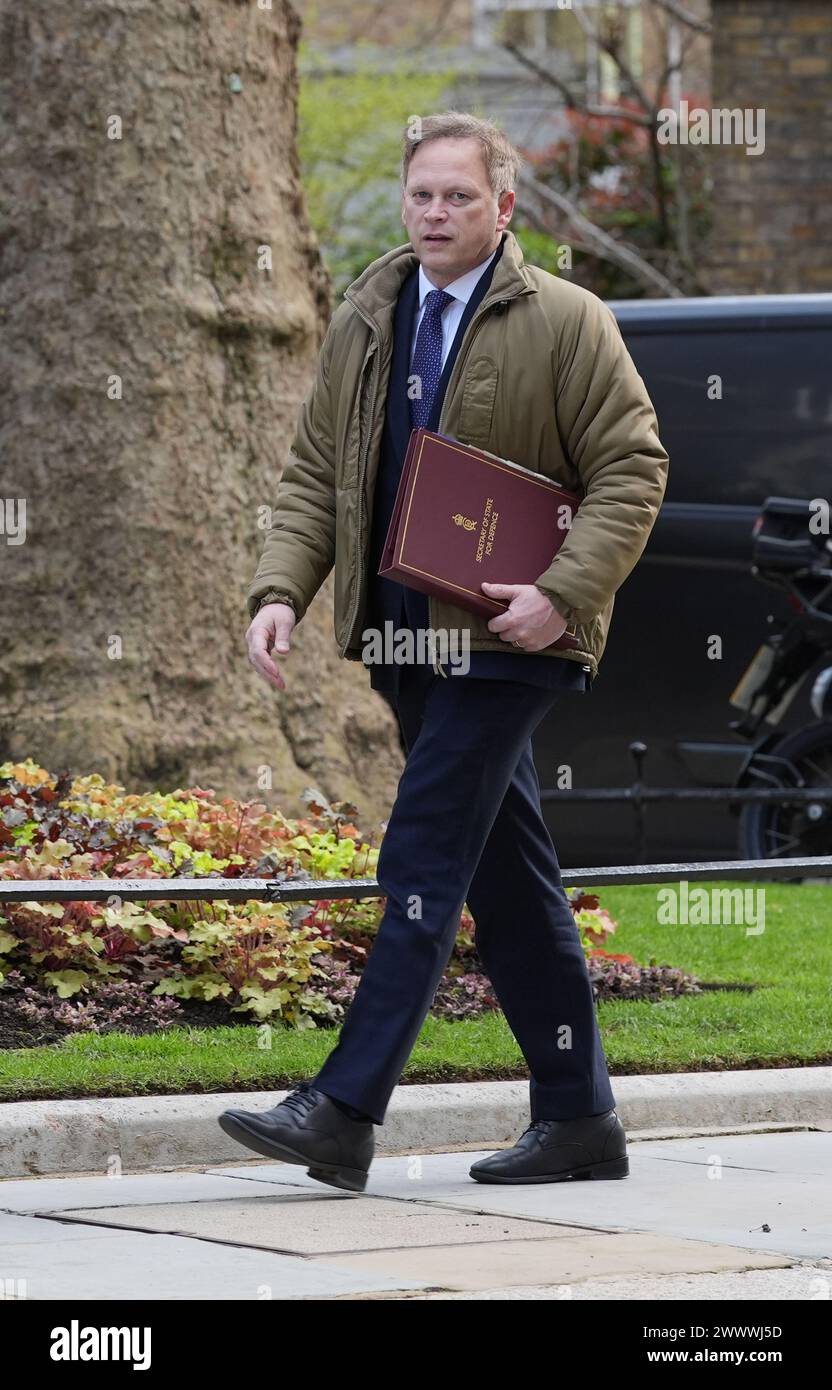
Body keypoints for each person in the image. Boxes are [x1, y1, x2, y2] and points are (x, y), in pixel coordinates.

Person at [219, 111, 669, 1193]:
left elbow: (632, 468)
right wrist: (283, 587)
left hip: (511, 639)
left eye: (458, 196)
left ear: (502, 208)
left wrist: (561, 596)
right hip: (402, 636)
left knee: (421, 855)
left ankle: (342, 1104)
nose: (434, 213)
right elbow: (315, 467)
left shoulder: (567, 320)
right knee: (510, 881)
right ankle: (578, 1120)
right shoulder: (369, 315)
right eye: (420, 194)